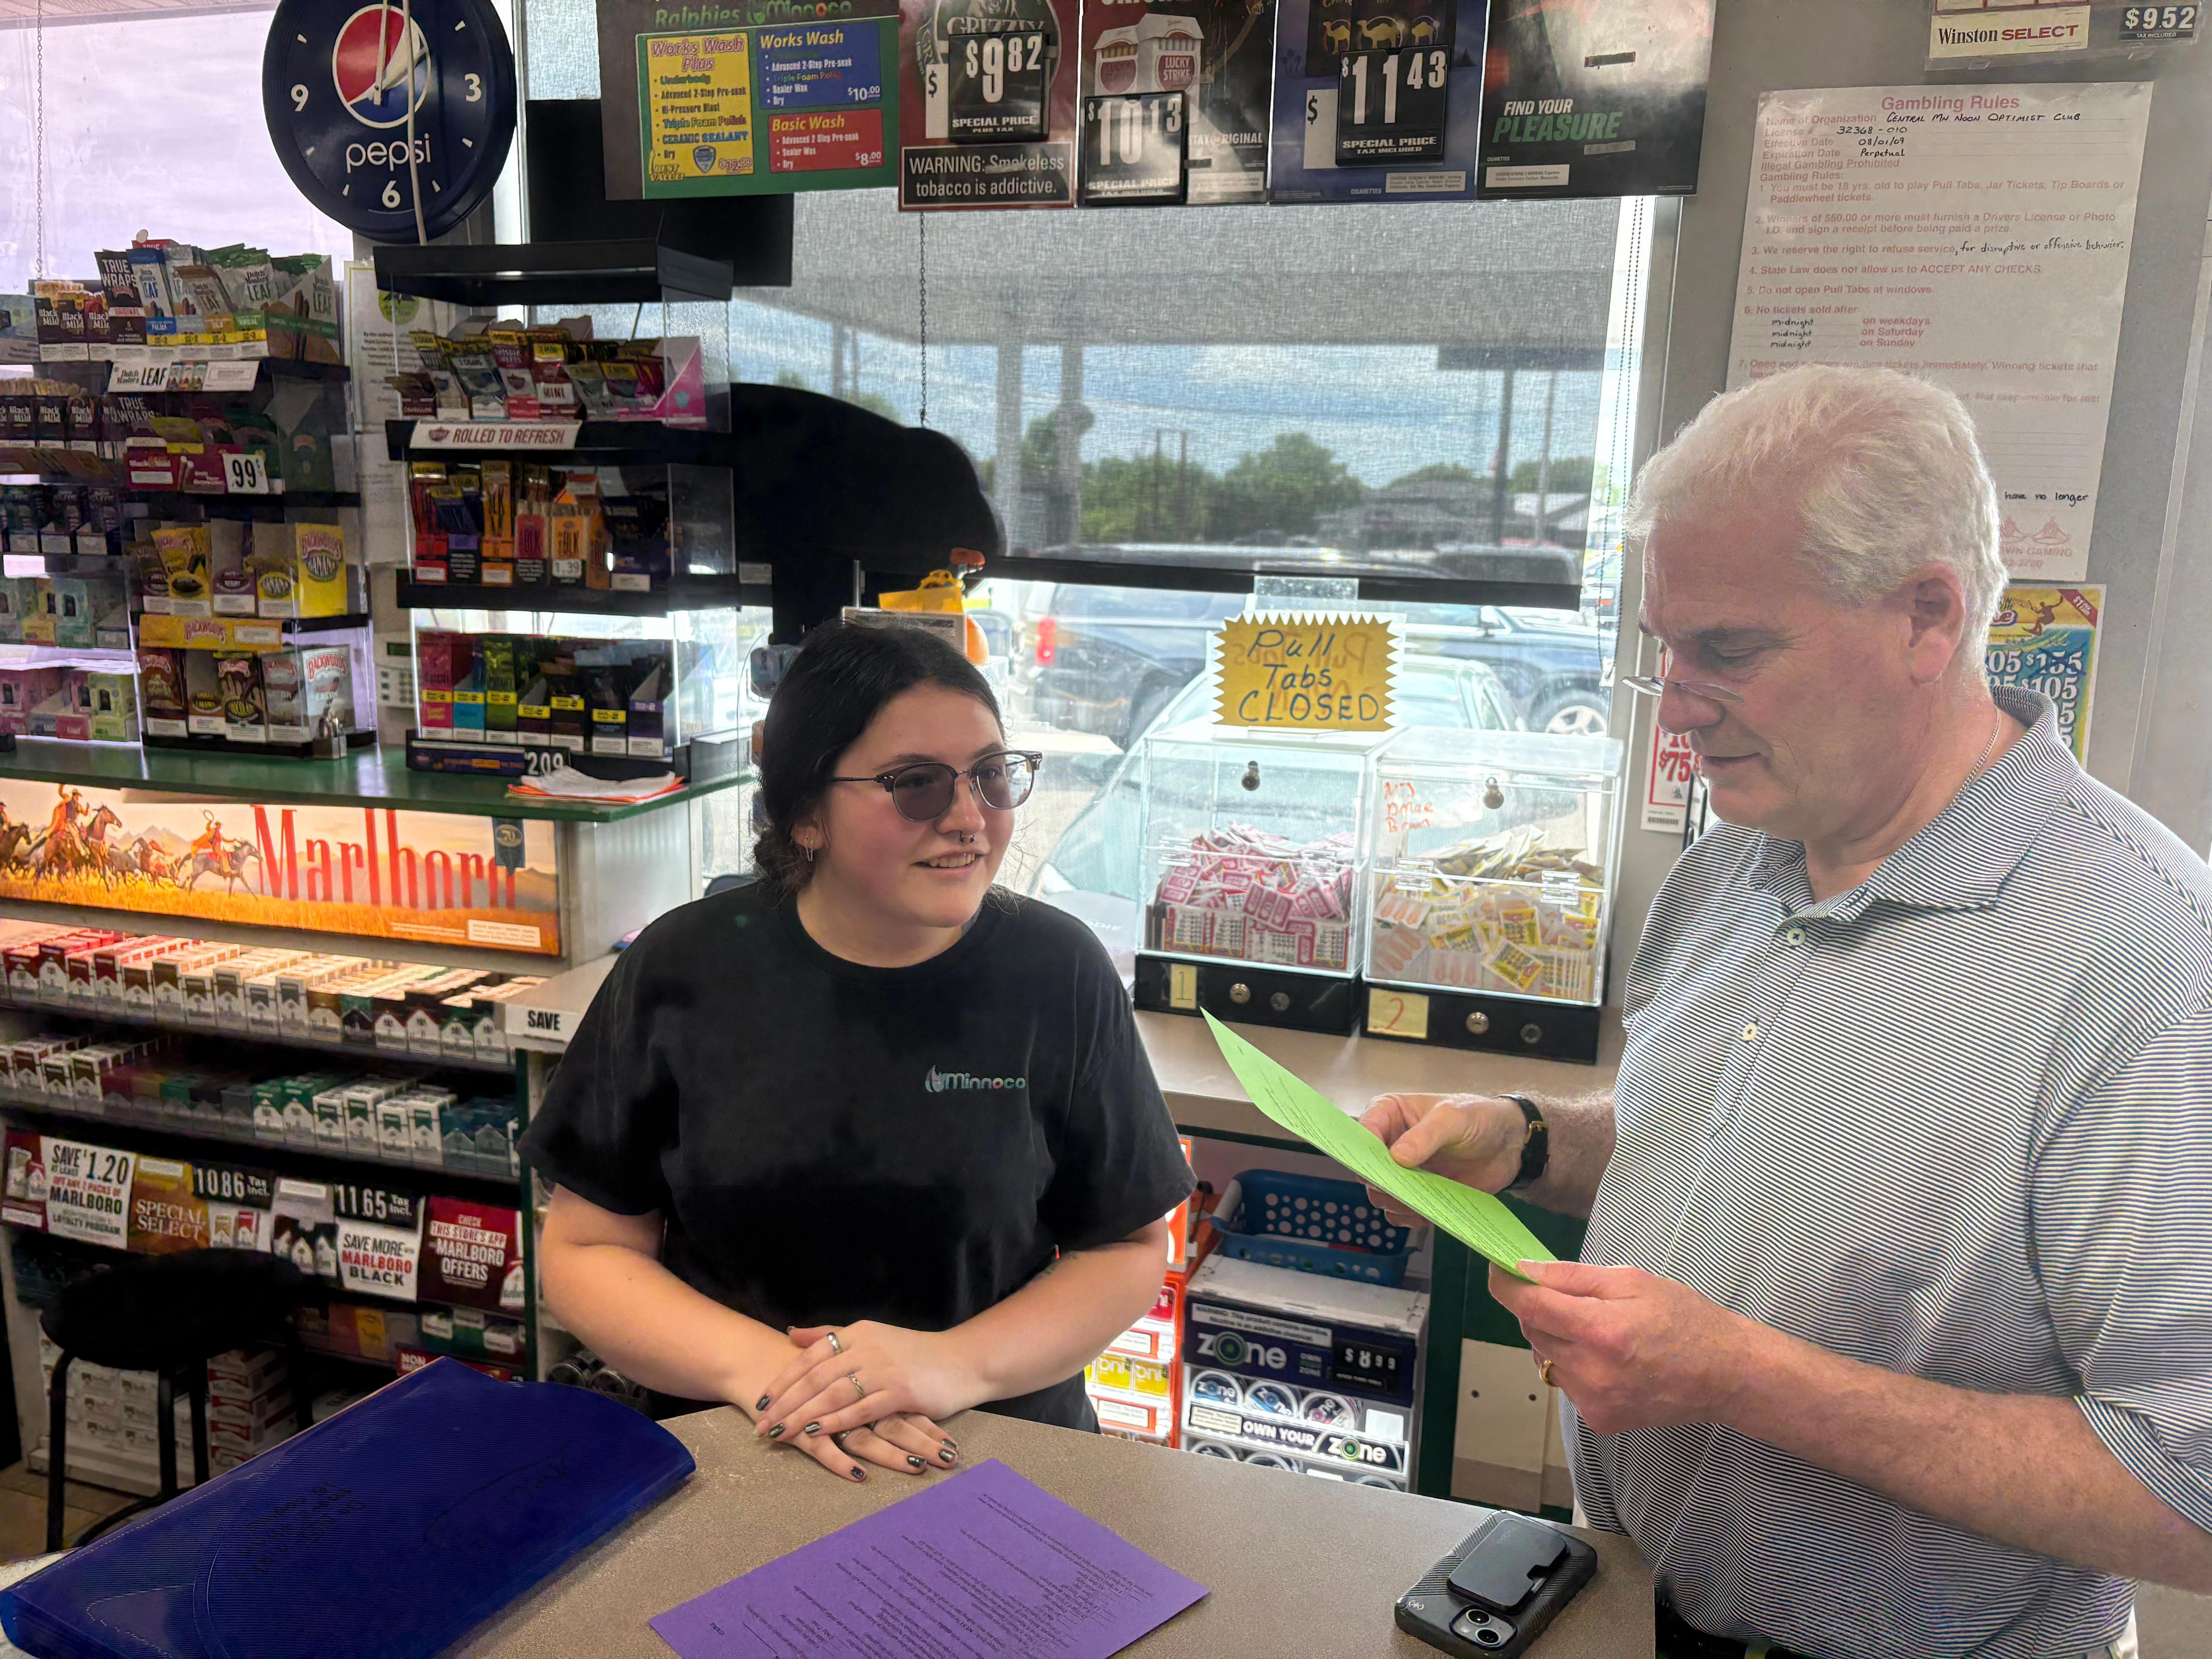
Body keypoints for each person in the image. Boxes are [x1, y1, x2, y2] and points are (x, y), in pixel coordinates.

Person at [1363, 365, 2212, 1659]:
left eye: (1729, 650)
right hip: (1645, 1606)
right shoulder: (1733, 864)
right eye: (1665, 651)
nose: (1677, 705)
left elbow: (2192, 1490)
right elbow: (1717, 1140)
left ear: (1928, 616)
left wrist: (1741, 1376)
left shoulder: (2147, 959)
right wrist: (1529, 1136)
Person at [522, 623, 1192, 1484]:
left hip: (990, 1457)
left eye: (991, 774)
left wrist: (955, 1363)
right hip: (738, 1453)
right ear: (806, 813)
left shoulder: (1056, 969)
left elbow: (1127, 1247)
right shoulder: (683, 965)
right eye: (915, 783)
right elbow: (585, 1251)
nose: (968, 818)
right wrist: (778, 1376)